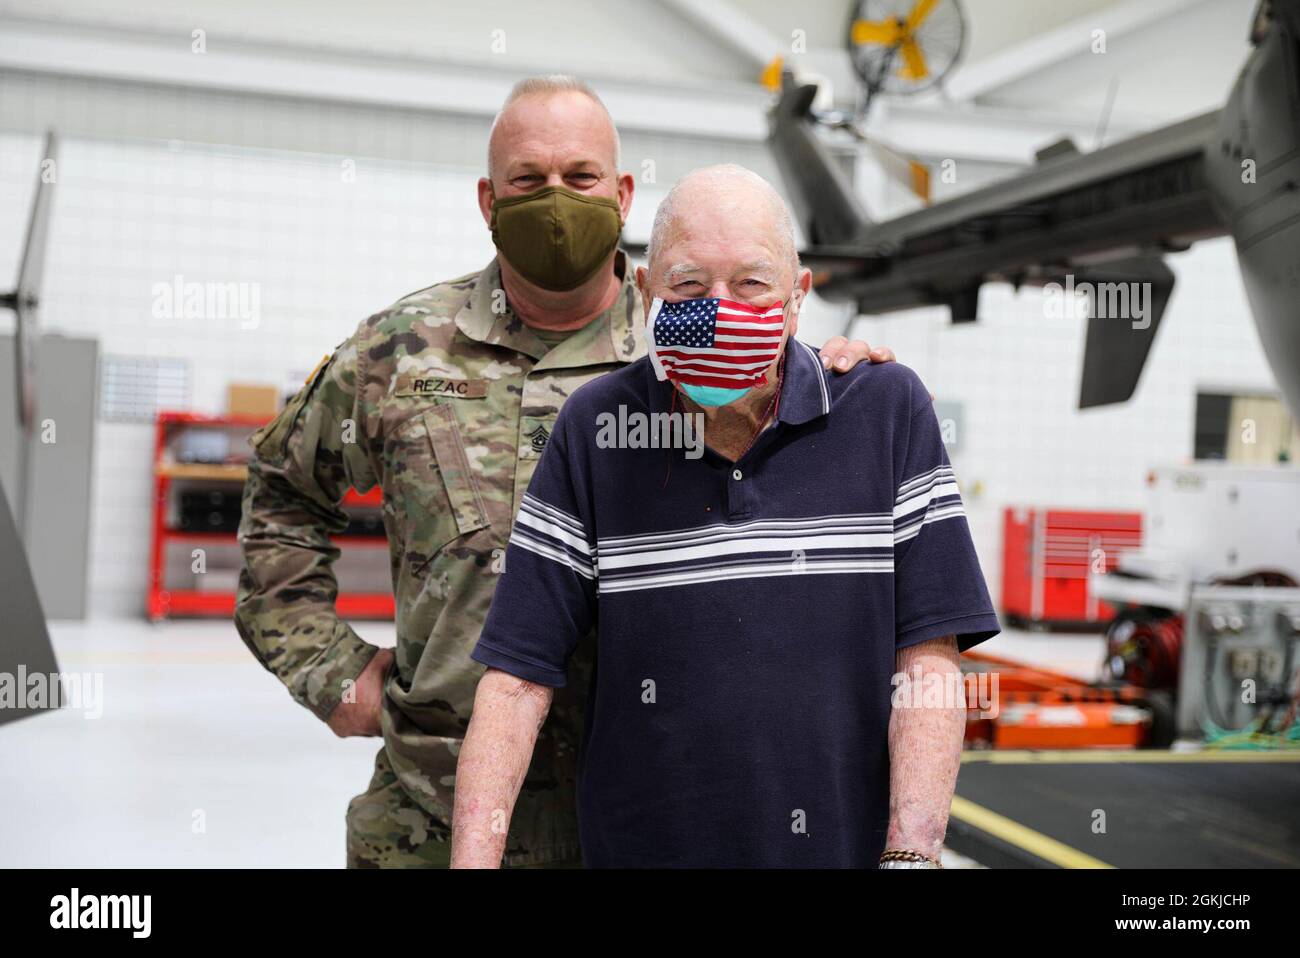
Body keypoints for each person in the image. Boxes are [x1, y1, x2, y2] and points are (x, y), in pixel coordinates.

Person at [234, 77, 897, 868]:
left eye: (580, 178)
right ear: (488, 199)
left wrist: (845, 375)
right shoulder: (400, 354)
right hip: (431, 815)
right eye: (528, 180)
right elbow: (280, 490)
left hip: (636, 821)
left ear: (621, 193)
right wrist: (327, 668)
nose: (556, 200)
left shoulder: (695, 356)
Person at [451, 164, 1000, 869]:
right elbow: (516, 681)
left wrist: (912, 855)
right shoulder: (598, 428)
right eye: (688, 286)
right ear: (646, 293)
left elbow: (927, 662)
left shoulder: (886, 411)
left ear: (798, 298)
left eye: (751, 285)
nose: (719, 309)